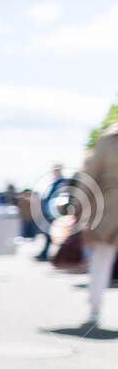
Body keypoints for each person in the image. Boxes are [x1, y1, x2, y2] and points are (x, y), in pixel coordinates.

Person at [78, 128, 118, 327]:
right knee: (102, 259)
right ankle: (95, 307)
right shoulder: (108, 139)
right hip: (109, 209)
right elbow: (90, 175)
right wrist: (79, 208)